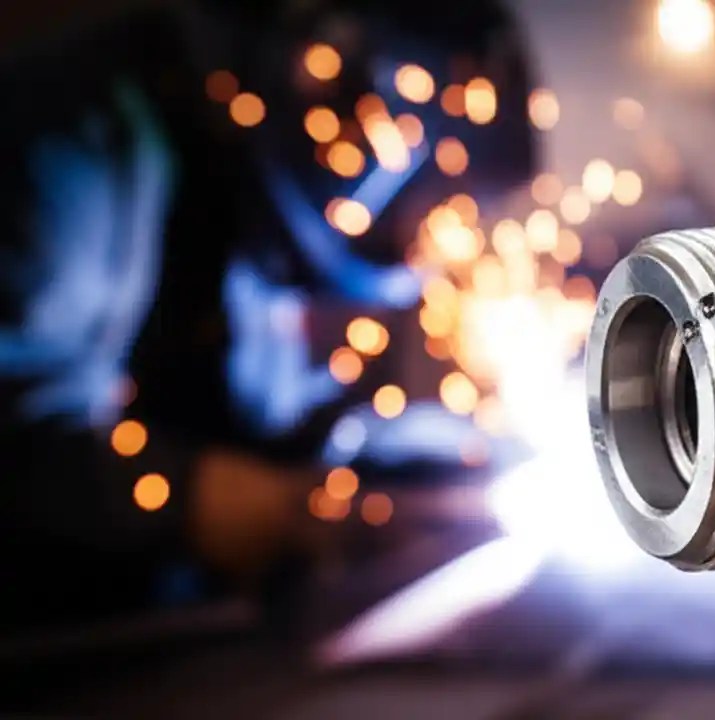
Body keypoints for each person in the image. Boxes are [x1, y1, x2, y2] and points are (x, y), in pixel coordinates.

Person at [0, 0, 535, 629]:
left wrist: (427, 458)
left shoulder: (238, 169)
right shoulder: (75, 138)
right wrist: (191, 498)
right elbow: (23, 446)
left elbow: (269, 425)